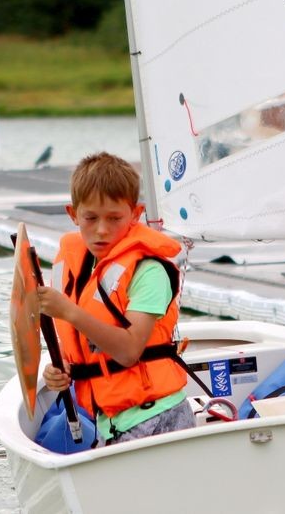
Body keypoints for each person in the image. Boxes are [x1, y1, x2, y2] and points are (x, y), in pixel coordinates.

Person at [37, 152, 193, 446]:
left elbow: (130, 351)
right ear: (73, 214)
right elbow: (87, 348)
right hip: (108, 422)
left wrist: (70, 312)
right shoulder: (81, 267)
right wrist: (61, 370)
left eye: (114, 218)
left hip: (157, 418)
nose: (101, 230)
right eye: (91, 218)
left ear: (136, 213)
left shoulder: (149, 271)